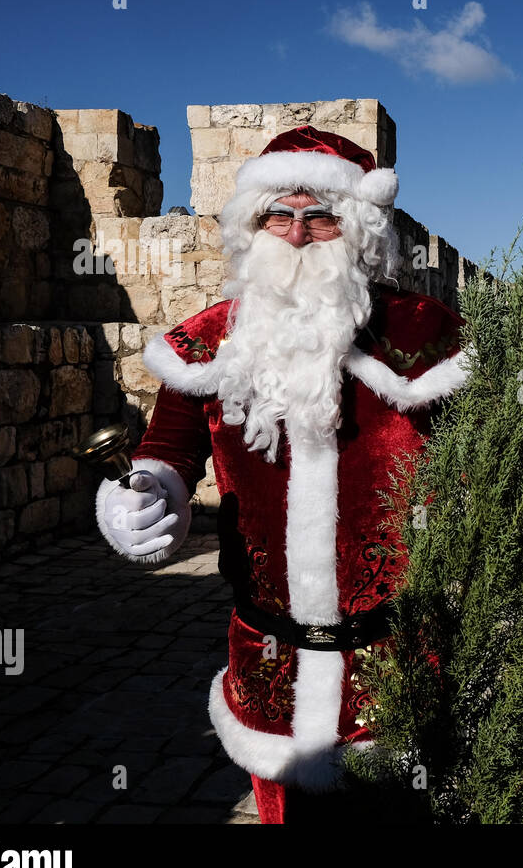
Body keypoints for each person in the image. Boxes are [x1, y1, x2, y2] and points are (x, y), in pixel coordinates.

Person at [93, 126, 469, 823]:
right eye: (279, 215)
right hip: (269, 663)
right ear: (253, 224)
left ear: (356, 227)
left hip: (400, 659)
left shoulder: (425, 337)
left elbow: (479, 464)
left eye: (319, 216)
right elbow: (168, 450)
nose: (296, 235)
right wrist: (145, 500)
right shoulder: (206, 344)